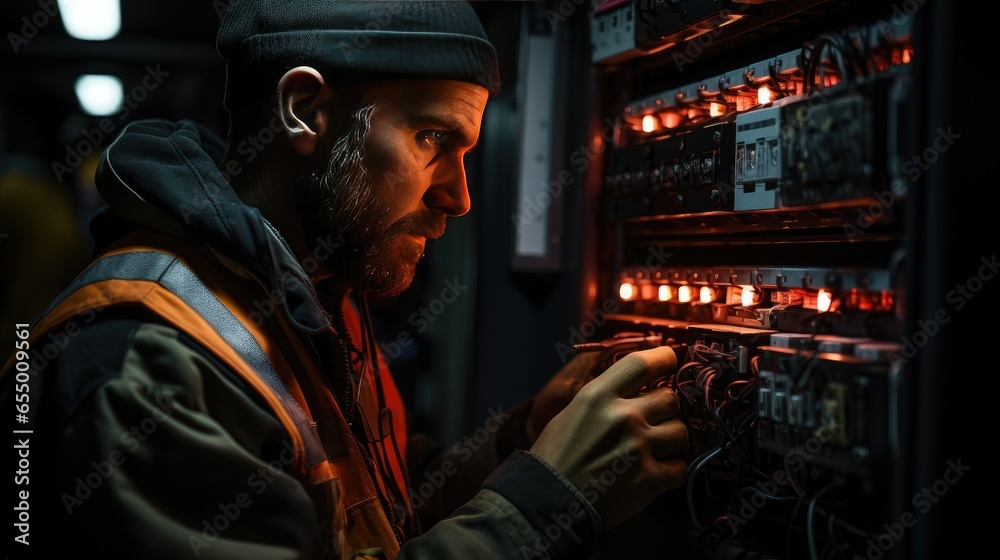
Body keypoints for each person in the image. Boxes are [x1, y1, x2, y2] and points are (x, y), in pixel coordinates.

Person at [0, 1, 689, 559]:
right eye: (432, 139)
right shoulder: (149, 369)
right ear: (303, 108)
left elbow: (372, 522)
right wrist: (549, 502)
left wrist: (527, 439)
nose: (459, 197)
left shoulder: (308, 293)